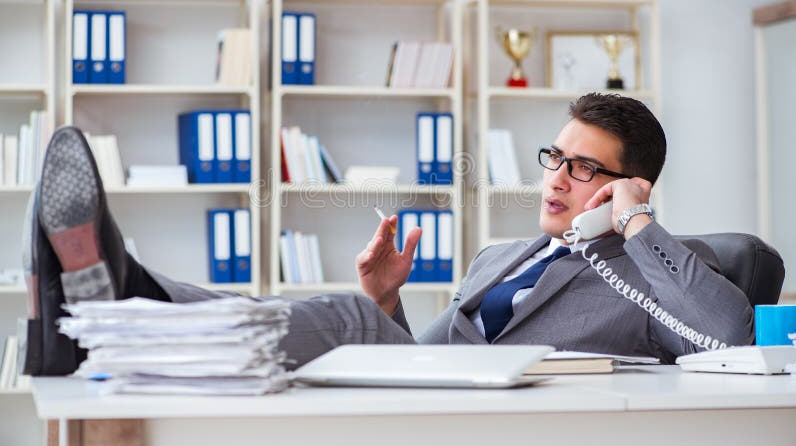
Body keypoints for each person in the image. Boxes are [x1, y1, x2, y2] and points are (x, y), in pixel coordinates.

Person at [22, 93, 753, 376]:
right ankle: (107, 309)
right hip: (433, 392)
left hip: (496, 416)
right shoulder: (501, 256)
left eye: (584, 168)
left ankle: (115, 306)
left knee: (340, 320)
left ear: (632, 185)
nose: (556, 178)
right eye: (554, 157)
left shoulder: (660, 265)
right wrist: (385, 301)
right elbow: (424, 356)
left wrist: (635, 221)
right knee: (318, 308)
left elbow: (726, 334)